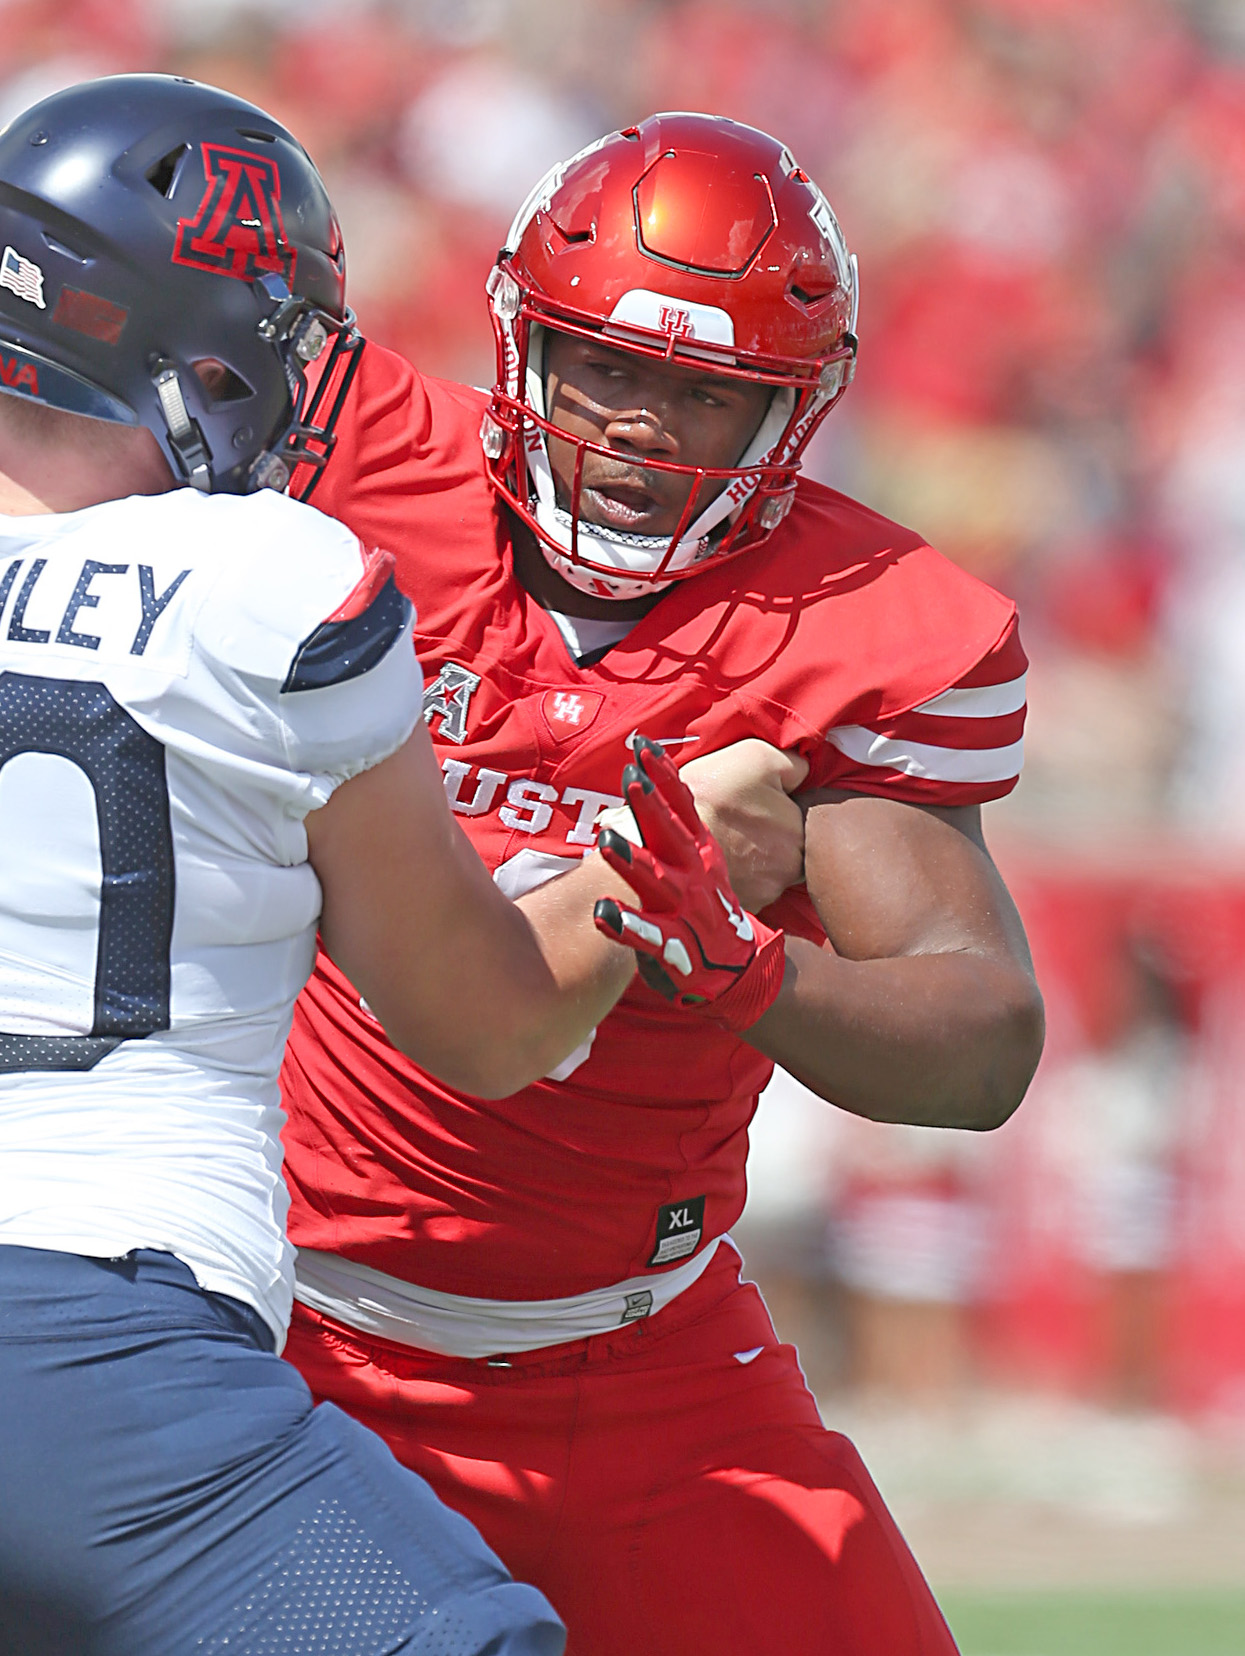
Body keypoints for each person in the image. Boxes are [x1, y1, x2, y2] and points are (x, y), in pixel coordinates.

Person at [0, 78, 764, 1656]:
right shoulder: (264, 578)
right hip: (87, 1344)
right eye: (277, 347)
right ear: (190, 336)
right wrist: (653, 855)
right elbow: (486, 1025)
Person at [279, 113, 1046, 1655]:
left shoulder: (861, 630)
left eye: (707, 391)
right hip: (268, 1342)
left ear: (793, 411)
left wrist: (757, 971)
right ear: (520, 346)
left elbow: (981, 1042)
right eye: (609, 368)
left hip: (627, 1368)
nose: (642, 426)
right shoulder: (345, 461)